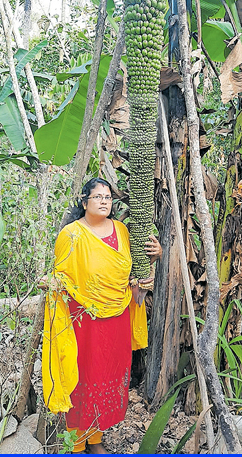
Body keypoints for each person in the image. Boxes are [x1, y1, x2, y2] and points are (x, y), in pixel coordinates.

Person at [40, 178, 161, 454]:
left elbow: (132, 270)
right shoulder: (71, 234)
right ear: (84, 202)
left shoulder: (120, 230)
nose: (105, 201)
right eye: (98, 197)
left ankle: (95, 440)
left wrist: (155, 255)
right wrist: (51, 284)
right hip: (83, 319)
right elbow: (61, 276)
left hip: (116, 316)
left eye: (108, 197)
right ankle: (75, 444)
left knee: (106, 376)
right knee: (82, 378)